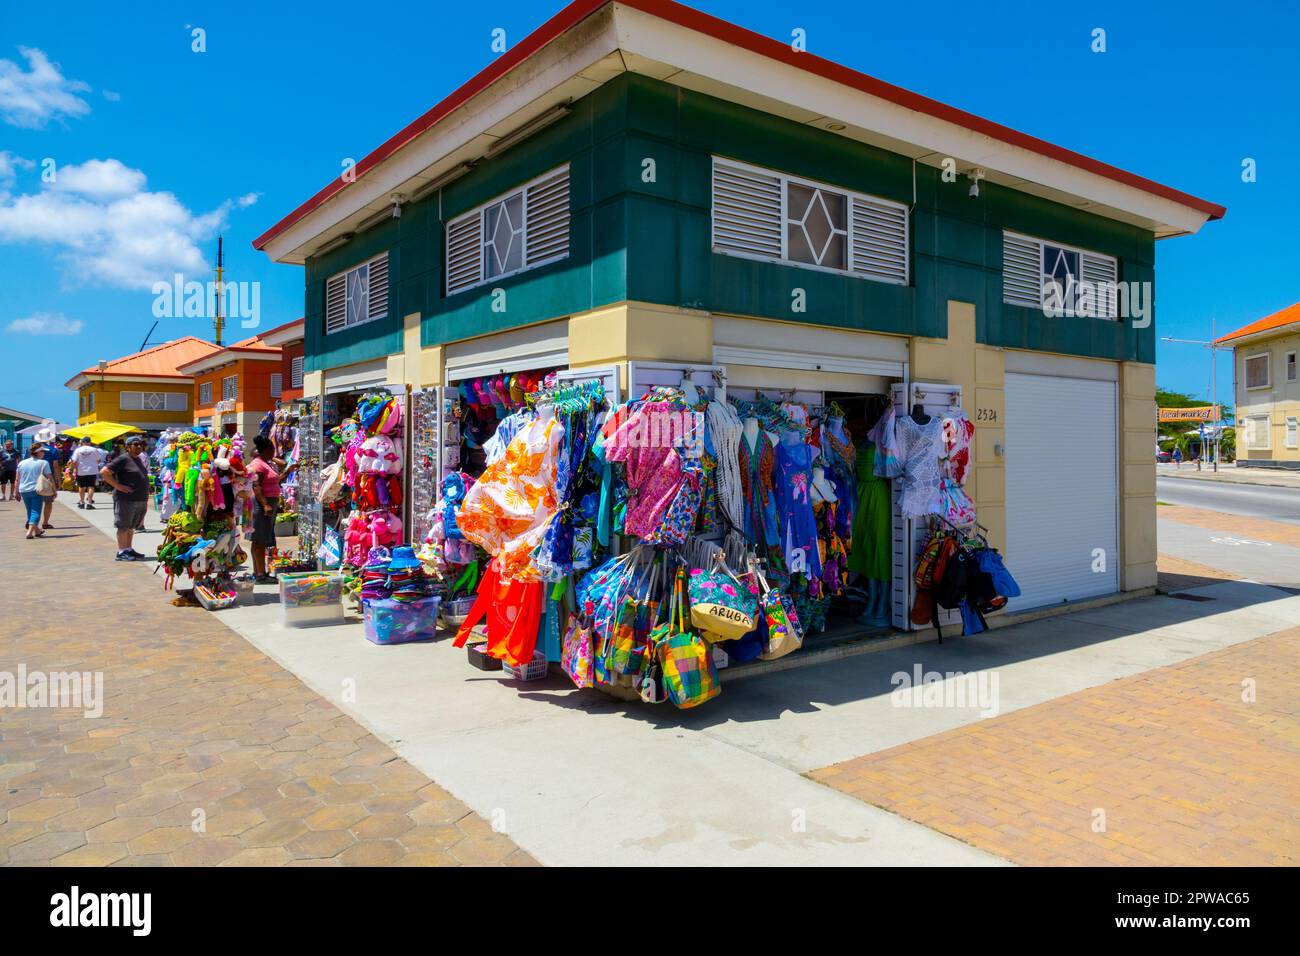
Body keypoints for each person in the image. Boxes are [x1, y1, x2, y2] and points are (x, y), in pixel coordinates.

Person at [247, 434, 297, 583]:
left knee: (260, 539)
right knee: (260, 540)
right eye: (272, 450)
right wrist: (265, 504)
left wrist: (288, 472)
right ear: (266, 450)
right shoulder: (258, 464)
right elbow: (257, 486)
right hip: (262, 505)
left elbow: (274, 481)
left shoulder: (265, 463)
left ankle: (259, 572)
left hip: (268, 503)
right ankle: (261, 575)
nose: (274, 453)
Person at [99, 434, 151, 561]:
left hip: (139, 499)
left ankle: (128, 549)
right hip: (126, 499)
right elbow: (104, 472)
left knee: (131, 526)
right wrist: (117, 486)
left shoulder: (138, 459)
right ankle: (122, 551)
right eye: (136, 445)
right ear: (128, 447)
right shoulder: (123, 459)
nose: (139, 447)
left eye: (141, 445)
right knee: (123, 525)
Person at [16, 444, 52, 539]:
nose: (44, 453)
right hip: (36, 490)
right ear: (38, 452)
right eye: (43, 451)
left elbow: (17, 479)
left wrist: (16, 491)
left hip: (23, 490)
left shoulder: (22, 463)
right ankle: (29, 532)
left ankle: (37, 531)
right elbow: (49, 477)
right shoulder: (44, 463)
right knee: (36, 511)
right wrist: (54, 489)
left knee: (30, 511)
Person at [71, 436, 105, 509]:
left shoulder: (78, 450)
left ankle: (81, 502)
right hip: (92, 470)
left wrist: (74, 469)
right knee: (91, 486)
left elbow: (74, 461)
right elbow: (99, 460)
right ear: (90, 442)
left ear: (82, 442)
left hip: (81, 470)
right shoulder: (94, 449)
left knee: (81, 486)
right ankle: (89, 503)